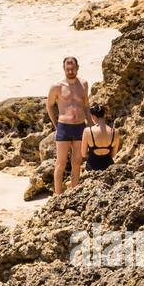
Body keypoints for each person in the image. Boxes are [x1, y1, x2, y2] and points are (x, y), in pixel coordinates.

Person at [46, 57, 90, 195]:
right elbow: (49, 106)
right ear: (64, 69)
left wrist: (91, 125)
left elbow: (86, 106)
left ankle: (74, 192)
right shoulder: (57, 86)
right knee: (61, 163)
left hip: (80, 127)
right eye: (67, 69)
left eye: (73, 68)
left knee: (77, 161)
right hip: (64, 127)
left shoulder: (83, 84)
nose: (70, 71)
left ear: (78, 67)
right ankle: (58, 196)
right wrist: (56, 125)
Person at [82, 105, 119, 173]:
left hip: (92, 167)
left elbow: (83, 154)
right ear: (104, 115)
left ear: (93, 117)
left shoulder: (88, 131)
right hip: (109, 167)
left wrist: (93, 152)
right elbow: (113, 154)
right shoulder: (115, 132)